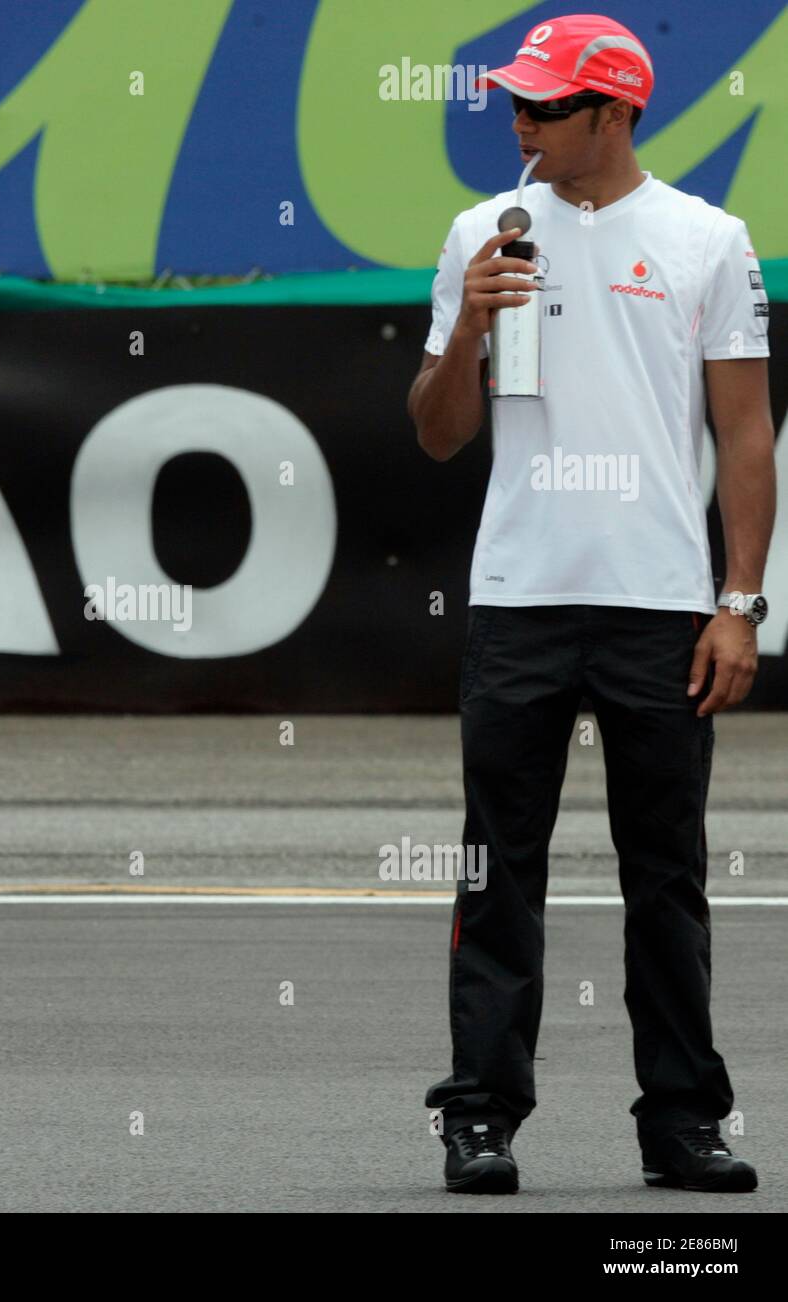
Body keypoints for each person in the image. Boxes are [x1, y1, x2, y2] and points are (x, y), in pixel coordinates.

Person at [407, 13, 774, 1195]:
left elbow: (743, 433)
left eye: (545, 104)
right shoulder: (482, 231)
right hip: (519, 596)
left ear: (614, 111)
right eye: (515, 102)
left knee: (664, 873)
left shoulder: (708, 238)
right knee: (493, 867)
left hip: (662, 603)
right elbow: (437, 432)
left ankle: (682, 1122)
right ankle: (477, 1117)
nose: (520, 122)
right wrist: (468, 320)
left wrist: (738, 604)